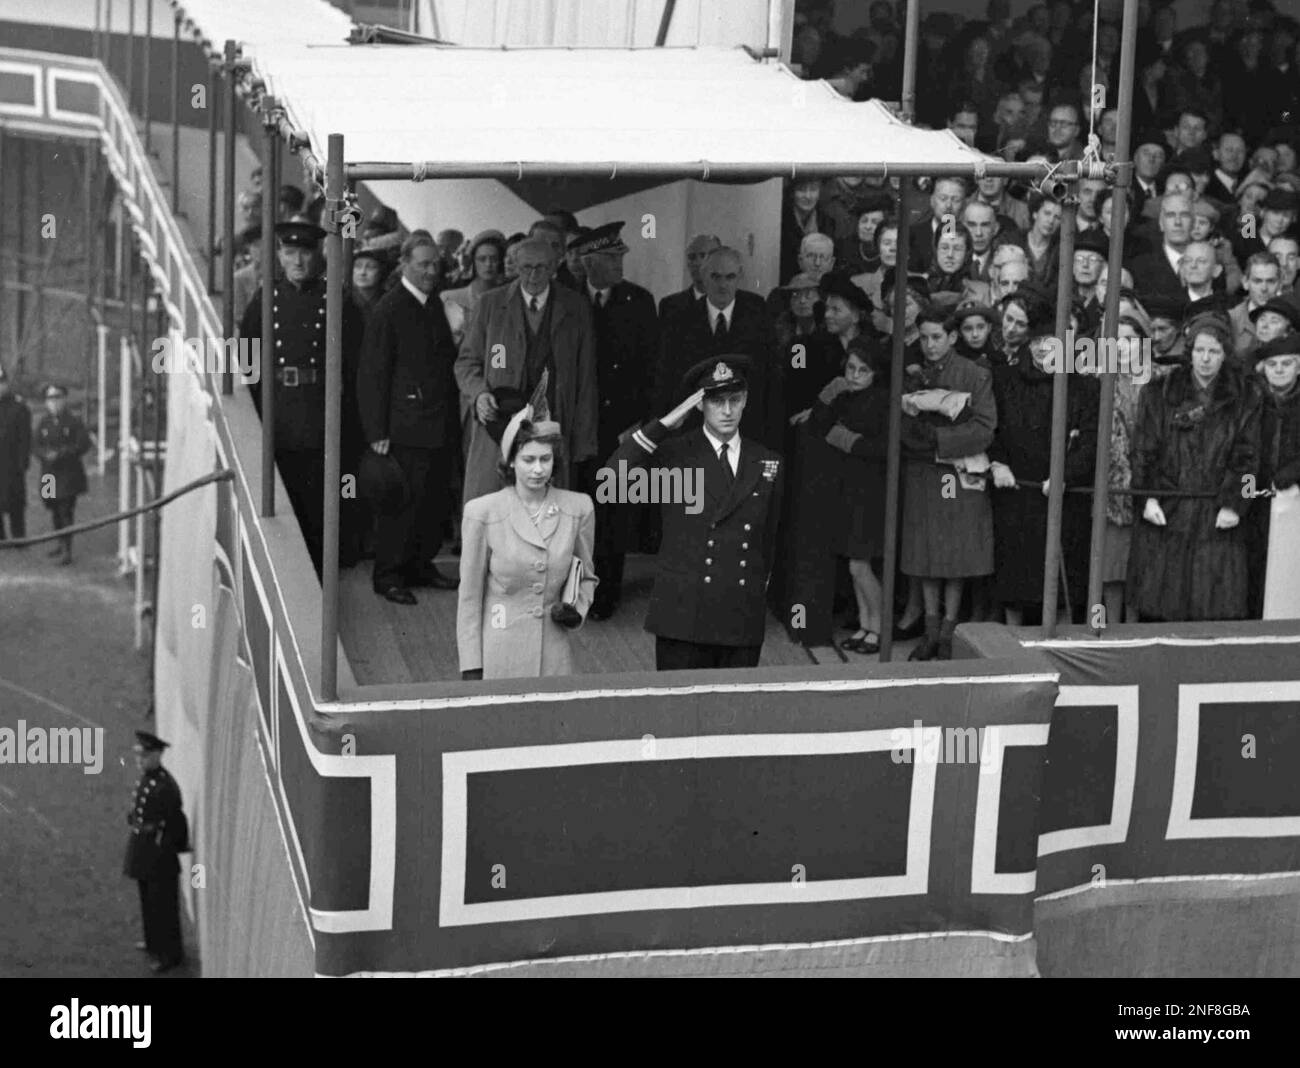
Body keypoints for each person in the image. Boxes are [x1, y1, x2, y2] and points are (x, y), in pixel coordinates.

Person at [609, 357, 784, 670]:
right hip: (682, 615)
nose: (727, 411)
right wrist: (662, 426)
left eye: (734, 400)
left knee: (733, 713)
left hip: (739, 615)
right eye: (717, 401)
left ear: (745, 400)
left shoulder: (767, 461)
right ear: (700, 405)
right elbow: (614, 479)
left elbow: (771, 538)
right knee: (680, 715)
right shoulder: (675, 454)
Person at [239, 220, 365, 575]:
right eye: (290, 253)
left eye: (305, 253)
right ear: (279, 255)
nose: (298, 261)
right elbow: (248, 355)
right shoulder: (266, 298)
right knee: (283, 485)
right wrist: (255, 407)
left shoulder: (336, 300)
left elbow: (357, 361)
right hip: (278, 404)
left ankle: (321, 559)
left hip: (320, 404)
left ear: (318, 255)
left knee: (323, 487)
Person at [1127, 314, 1262, 621]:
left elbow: (1250, 460)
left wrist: (1236, 505)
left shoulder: (1246, 396)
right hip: (1168, 508)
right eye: (1200, 350)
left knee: (1212, 605)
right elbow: (1142, 450)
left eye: (1213, 352)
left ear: (1225, 353)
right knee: (1161, 605)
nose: (1205, 359)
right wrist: (1146, 497)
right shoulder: (1159, 392)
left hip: (1217, 513)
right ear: (1190, 351)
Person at [356, 232, 461, 606]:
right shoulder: (390, 308)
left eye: (436, 264)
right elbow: (372, 374)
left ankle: (420, 565)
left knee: (431, 504)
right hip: (403, 429)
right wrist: (377, 430)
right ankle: (388, 575)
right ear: (404, 264)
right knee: (400, 506)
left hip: (437, 425)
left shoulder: (433, 304)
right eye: (424, 265)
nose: (432, 271)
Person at [457, 407, 596, 680]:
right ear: (511, 462)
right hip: (499, 652)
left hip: (554, 655)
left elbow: (587, 576)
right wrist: (471, 664)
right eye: (528, 459)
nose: (538, 469)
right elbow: (470, 597)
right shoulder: (483, 513)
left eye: (545, 459)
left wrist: (577, 610)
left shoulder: (578, 508)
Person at [456, 236, 598, 504]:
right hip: (499, 426)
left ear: (555, 266)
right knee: (494, 509)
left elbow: (586, 377)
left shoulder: (575, 306)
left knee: (547, 511)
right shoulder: (490, 304)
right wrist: (479, 394)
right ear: (515, 267)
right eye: (526, 268)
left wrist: (583, 439)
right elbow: (466, 363)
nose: (533, 276)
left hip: (552, 425)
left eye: (541, 268)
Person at [572, 222, 660, 621]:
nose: (620, 264)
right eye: (611, 258)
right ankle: (572, 591)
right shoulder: (569, 299)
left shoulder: (638, 300)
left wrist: (641, 421)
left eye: (621, 256)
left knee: (612, 512)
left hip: (621, 426)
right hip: (579, 425)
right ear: (589, 263)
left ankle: (604, 595)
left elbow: (651, 366)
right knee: (574, 509)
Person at [899, 305, 997, 660]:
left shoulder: (973, 373)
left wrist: (937, 441)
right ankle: (930, 628)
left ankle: (948, 630)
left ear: (953, 338)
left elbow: (985, 426)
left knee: (953, 552)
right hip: (925, 473)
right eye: (924, 338)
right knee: (926, 551)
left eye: (937, 337)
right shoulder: (914, 373)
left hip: (955, 473)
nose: (929, 345)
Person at [987, 319, 1099, 626]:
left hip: (1064, 495)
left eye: (1054, 342)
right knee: (1015, 577)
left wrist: (1067, 474)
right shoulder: (1005, 380)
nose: (1045, 349)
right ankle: (1011, 646)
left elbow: (1090, 440)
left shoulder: (1085, 386)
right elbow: (992, 429)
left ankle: (1061, 642)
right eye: (1039, 342)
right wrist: (997, 463)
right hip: (1016, 492)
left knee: (1064, 582)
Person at [805, 347, 891, 654]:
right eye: (850, 369)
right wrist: (828, 395)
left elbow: (882, 448)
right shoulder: (844, 397)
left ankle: (880, 627)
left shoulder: (883, 401)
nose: (854, 376)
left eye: (862, 370)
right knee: (853, 562)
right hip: (845, 486)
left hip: (870, 489)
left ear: (875, 373)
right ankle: (866, 625)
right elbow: (817, 425)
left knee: (859, 564)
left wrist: (844, 439)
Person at [653, 246, 782, 449]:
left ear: (740, 277)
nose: (723, 285)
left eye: (730, 277)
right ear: (703, 277)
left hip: (747, 433)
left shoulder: (758, 316)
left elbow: (771, 380)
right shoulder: (680, 320)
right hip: (694, 434)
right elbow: (666, 380)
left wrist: (771, 439)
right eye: (715, 277)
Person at [1097, 310, 1156, 625]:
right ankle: (1110, 627)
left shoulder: (1161, 382)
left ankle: (1134, 630)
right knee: (1111, 566)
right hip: (1111, 486)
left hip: (1151, 484)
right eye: (1116, 340)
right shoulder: (1099, 380)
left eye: (1130, 340)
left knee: (1141, 566)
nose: (1122, 347)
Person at [123, 730, 187, 973]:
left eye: (145, 755)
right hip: (143, 848)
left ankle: (169, 954)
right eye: (140, 755)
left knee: (163, 907)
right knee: (148, 902)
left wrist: (167, 849)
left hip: (159, 854)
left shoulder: (165, 786)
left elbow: (176, 822)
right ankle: (153, 943)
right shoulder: (147, 779)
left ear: (158, 755)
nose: (141, 760)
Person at [1246, 336, 1300, 617]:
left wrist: (1292, 472)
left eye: (1287, 364)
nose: (1279, 370)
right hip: (1255, 502)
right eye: (1272, 364)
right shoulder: (1251, 401)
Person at [34, 385, 91, 566]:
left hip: (68, 474)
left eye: (57, 397)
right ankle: (59, 542)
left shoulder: (74, 421)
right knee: (53, 508)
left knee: (65, 510)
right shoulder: (44, 422)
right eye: (50, 398)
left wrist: (63, 453)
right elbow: (35, 445)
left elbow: (83, 444)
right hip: (49, 475)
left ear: (64, 399)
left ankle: (67, 549)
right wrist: (44, 454)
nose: (54, 402)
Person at [0, 364, 30, 543]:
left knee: (16, 502)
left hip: (12, 465)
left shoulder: (19, 408)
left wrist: (22, 463)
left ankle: (19, 538)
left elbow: (25, 439)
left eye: (1, 382)